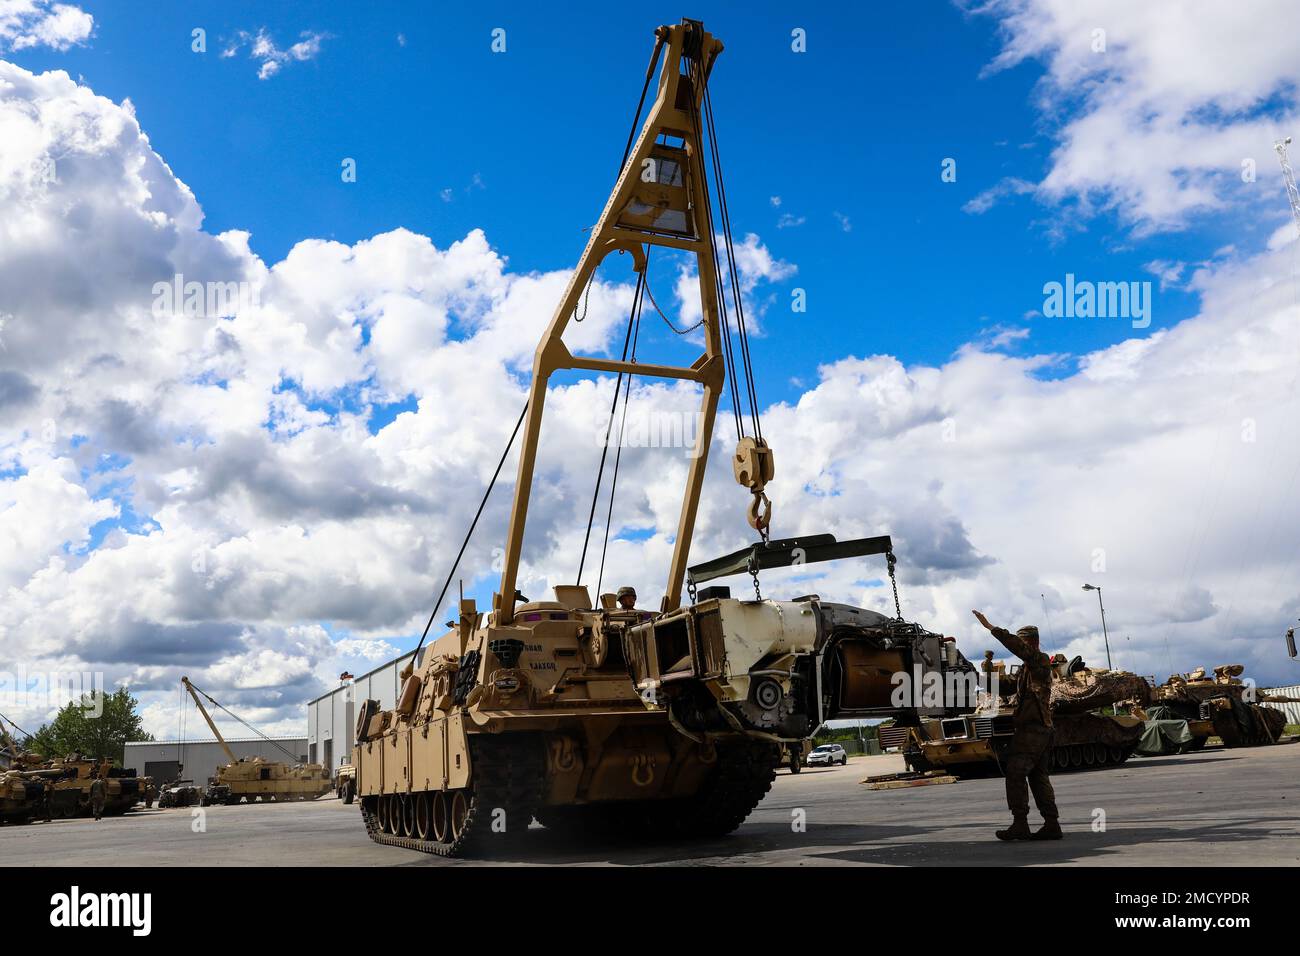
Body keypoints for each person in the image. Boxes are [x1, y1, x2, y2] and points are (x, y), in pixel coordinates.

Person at [972, 610, 1062, 841]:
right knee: (1037, 776)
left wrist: (991, 627)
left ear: (1031, 643)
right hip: (1039, 728)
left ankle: (1020, 823)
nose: (1020, 648)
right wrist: (984, 676)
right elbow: (1008, 686)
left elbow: (1018, 648)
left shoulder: (1039, 660)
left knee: (1015, 772)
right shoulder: (1027, 669)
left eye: (1023, 644)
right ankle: (1051, 824)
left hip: (1034, 728)